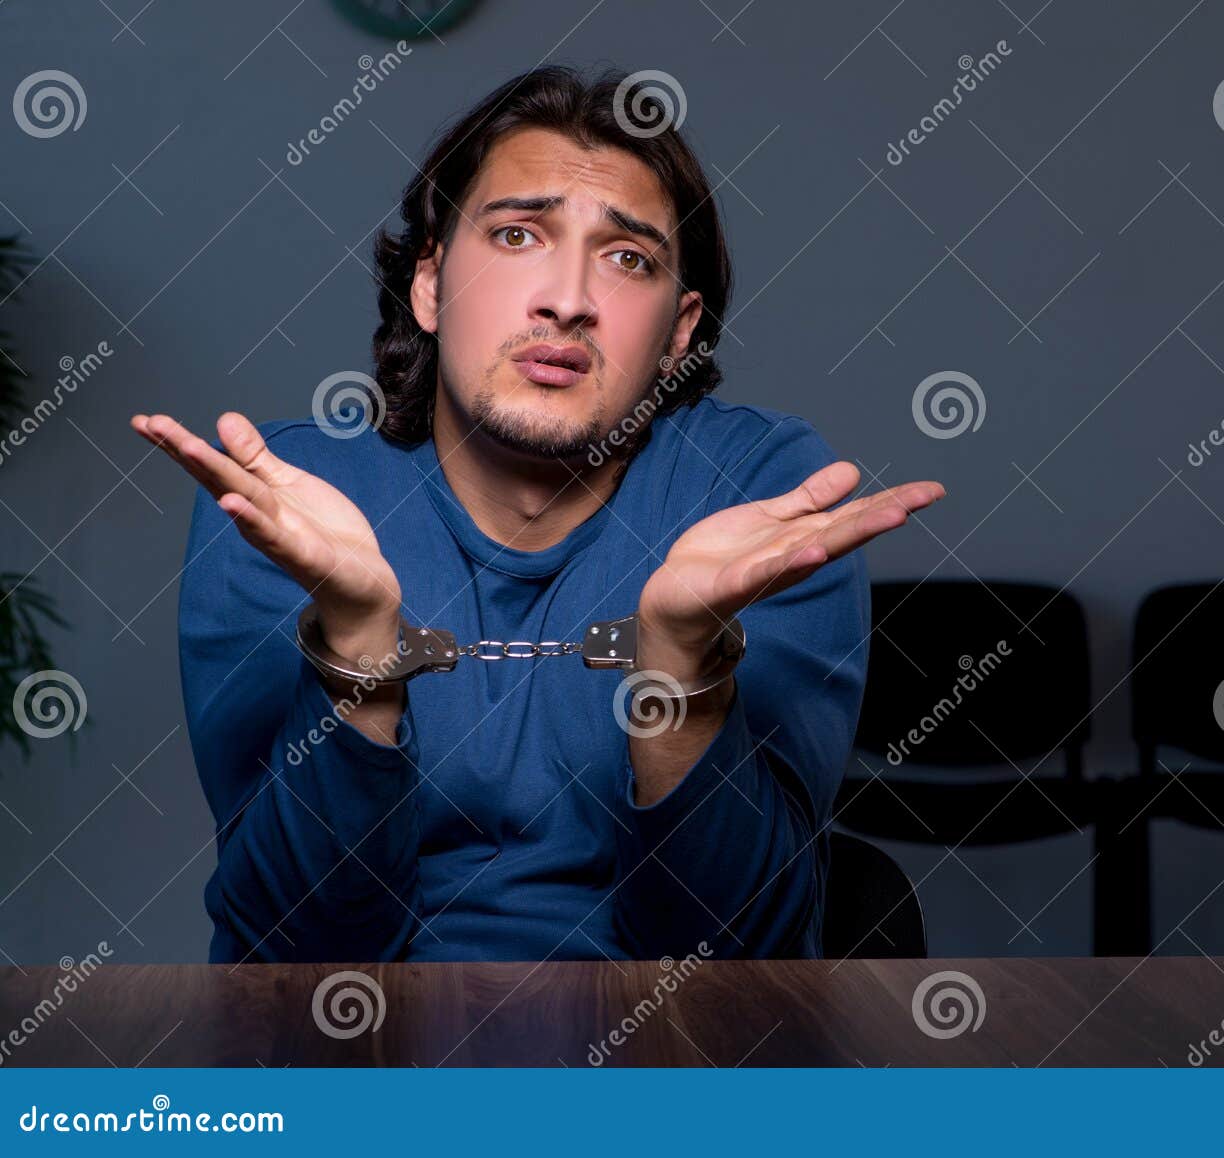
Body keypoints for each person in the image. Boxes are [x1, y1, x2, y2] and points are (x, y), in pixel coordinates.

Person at [129, 65, 943, 964]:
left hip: (669, 1043)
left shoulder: (762, 491)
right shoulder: (285, 497)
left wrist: (681, 667)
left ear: (678, 331)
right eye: (518, 235)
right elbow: (296, 949)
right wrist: (357, 648)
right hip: (362, 1042)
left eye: (627, 259)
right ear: (431, 283)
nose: (568, 299)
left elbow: (736, 950)